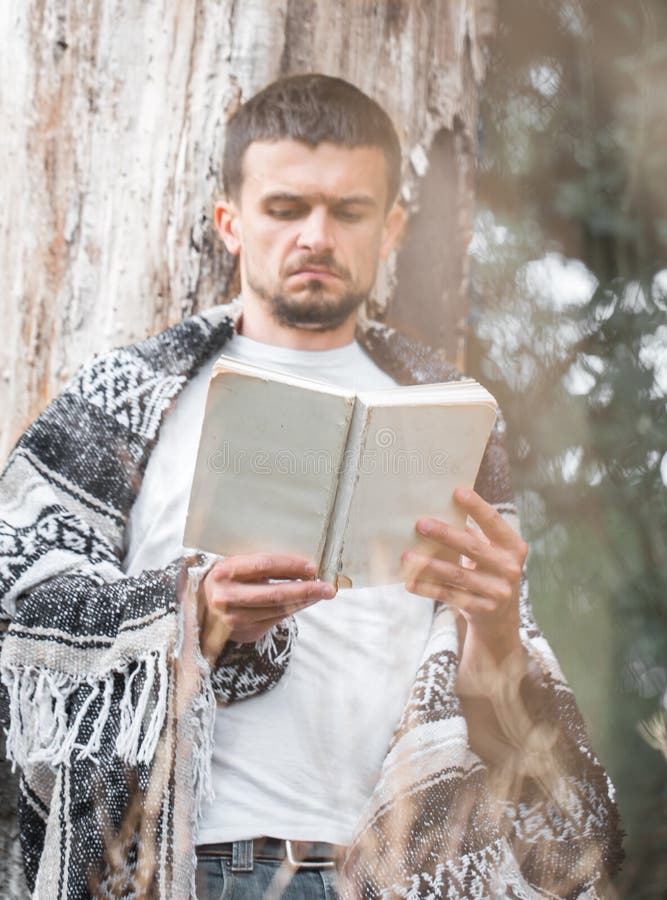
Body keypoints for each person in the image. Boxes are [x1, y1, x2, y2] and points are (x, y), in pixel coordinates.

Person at [0, 74, 622, 900]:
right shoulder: (125, 402)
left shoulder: (454, 420)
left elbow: (489, 705)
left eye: (348, 211)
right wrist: (193, 611)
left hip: (393, 876)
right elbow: (20, 616)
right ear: (231, 221)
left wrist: (497, 623)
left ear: (391, 226)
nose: (316, 236)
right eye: (285, 208)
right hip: (182, 869)